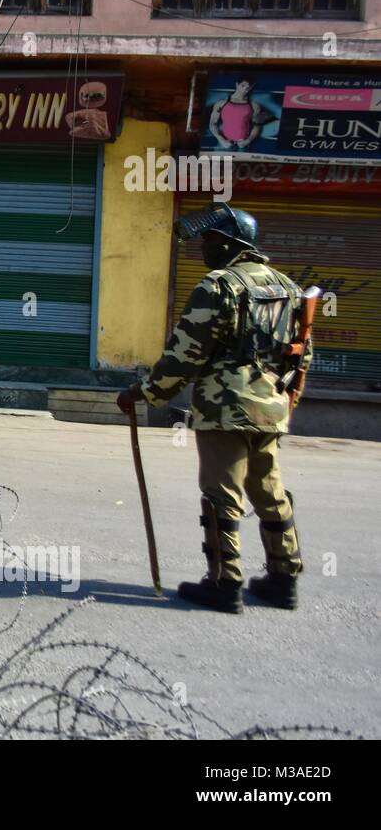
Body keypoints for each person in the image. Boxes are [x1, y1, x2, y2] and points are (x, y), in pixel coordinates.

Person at [117, 203, 308, 614]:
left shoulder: (219, 286)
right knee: (269, 491)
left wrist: (145, 392)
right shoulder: (287, 287)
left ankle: (225, 583)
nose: (203, 247)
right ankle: (283, 579)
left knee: (222, 494)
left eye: (209, 240)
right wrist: (283, 398)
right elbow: (302, 352)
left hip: (225, 407)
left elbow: (186, 354)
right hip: (270, 406)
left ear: (228, 244)